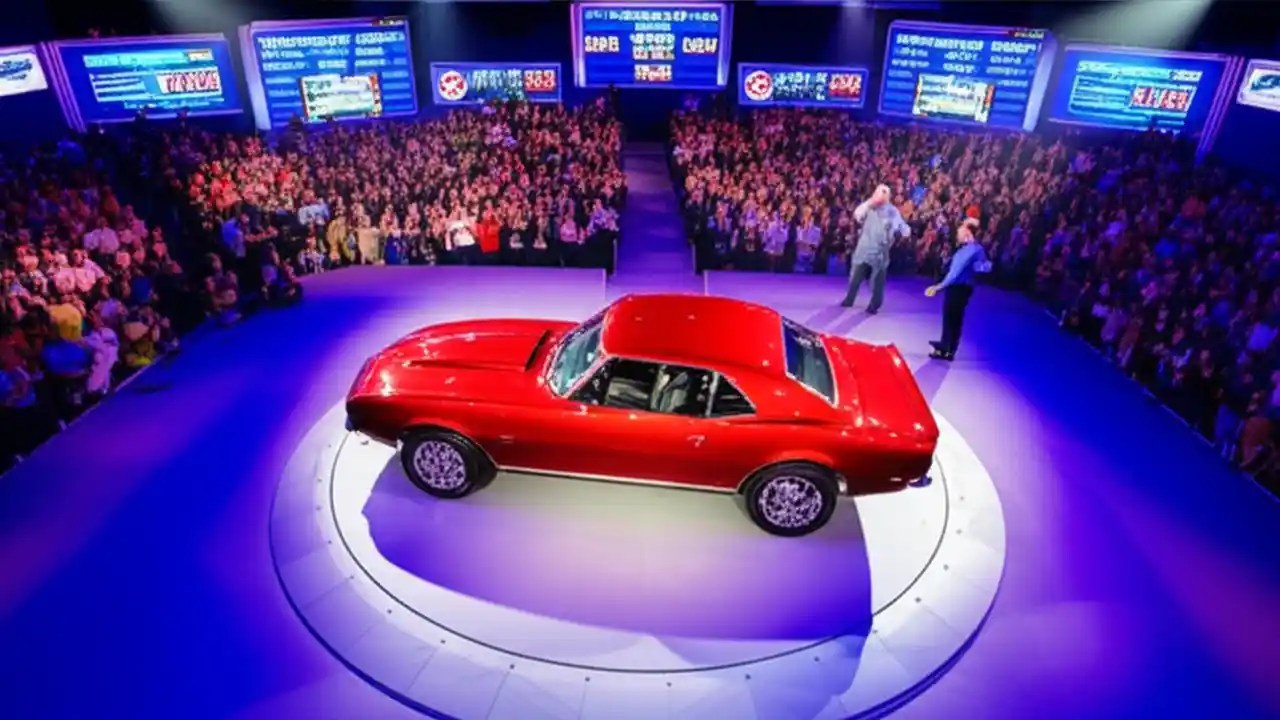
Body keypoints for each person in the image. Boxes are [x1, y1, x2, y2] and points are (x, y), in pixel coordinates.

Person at [925, 217, 991, 361]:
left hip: (959, 287)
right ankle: (947, 346)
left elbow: (956, 273)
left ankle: (947, 348)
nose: (957, 235)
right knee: (952, 317)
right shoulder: (970, 249)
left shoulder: (971, 250)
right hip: (960, 287)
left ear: (967, 233)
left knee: (952, 317)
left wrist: (939, 286)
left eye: (960, 233)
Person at [842, 184, 911, 314]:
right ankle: (849, 299)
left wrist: (903, 231)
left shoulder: (892, 211)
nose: (881, 198)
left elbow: (901, 226)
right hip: (864, 247)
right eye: (879, 194)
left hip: (880, 251)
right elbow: (857, 214)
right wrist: (870, 202)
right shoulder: (868, 206)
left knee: (877, 281)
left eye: (884, 195)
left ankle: (874, 305)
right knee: (855, 276)